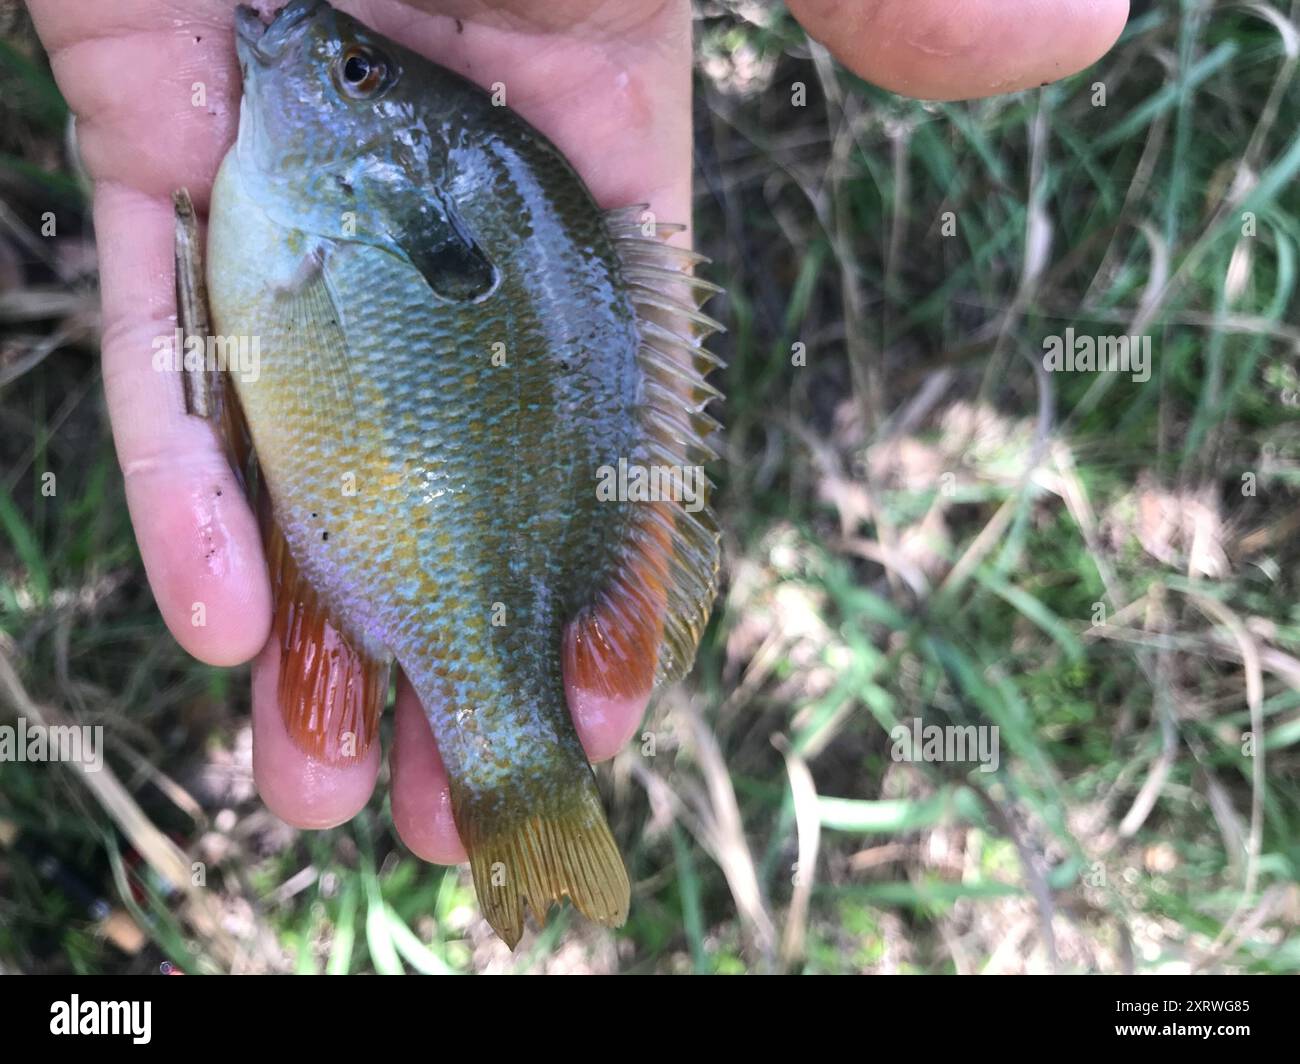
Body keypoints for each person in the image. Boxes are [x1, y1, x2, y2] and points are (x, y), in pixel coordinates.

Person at [25, 0, 1128, 862]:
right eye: (361, 70)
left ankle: (513, 766)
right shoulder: (351, 201)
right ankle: (511, 770)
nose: (321, 45)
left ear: (401, 194)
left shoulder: (335, 203)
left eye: (355, 73)